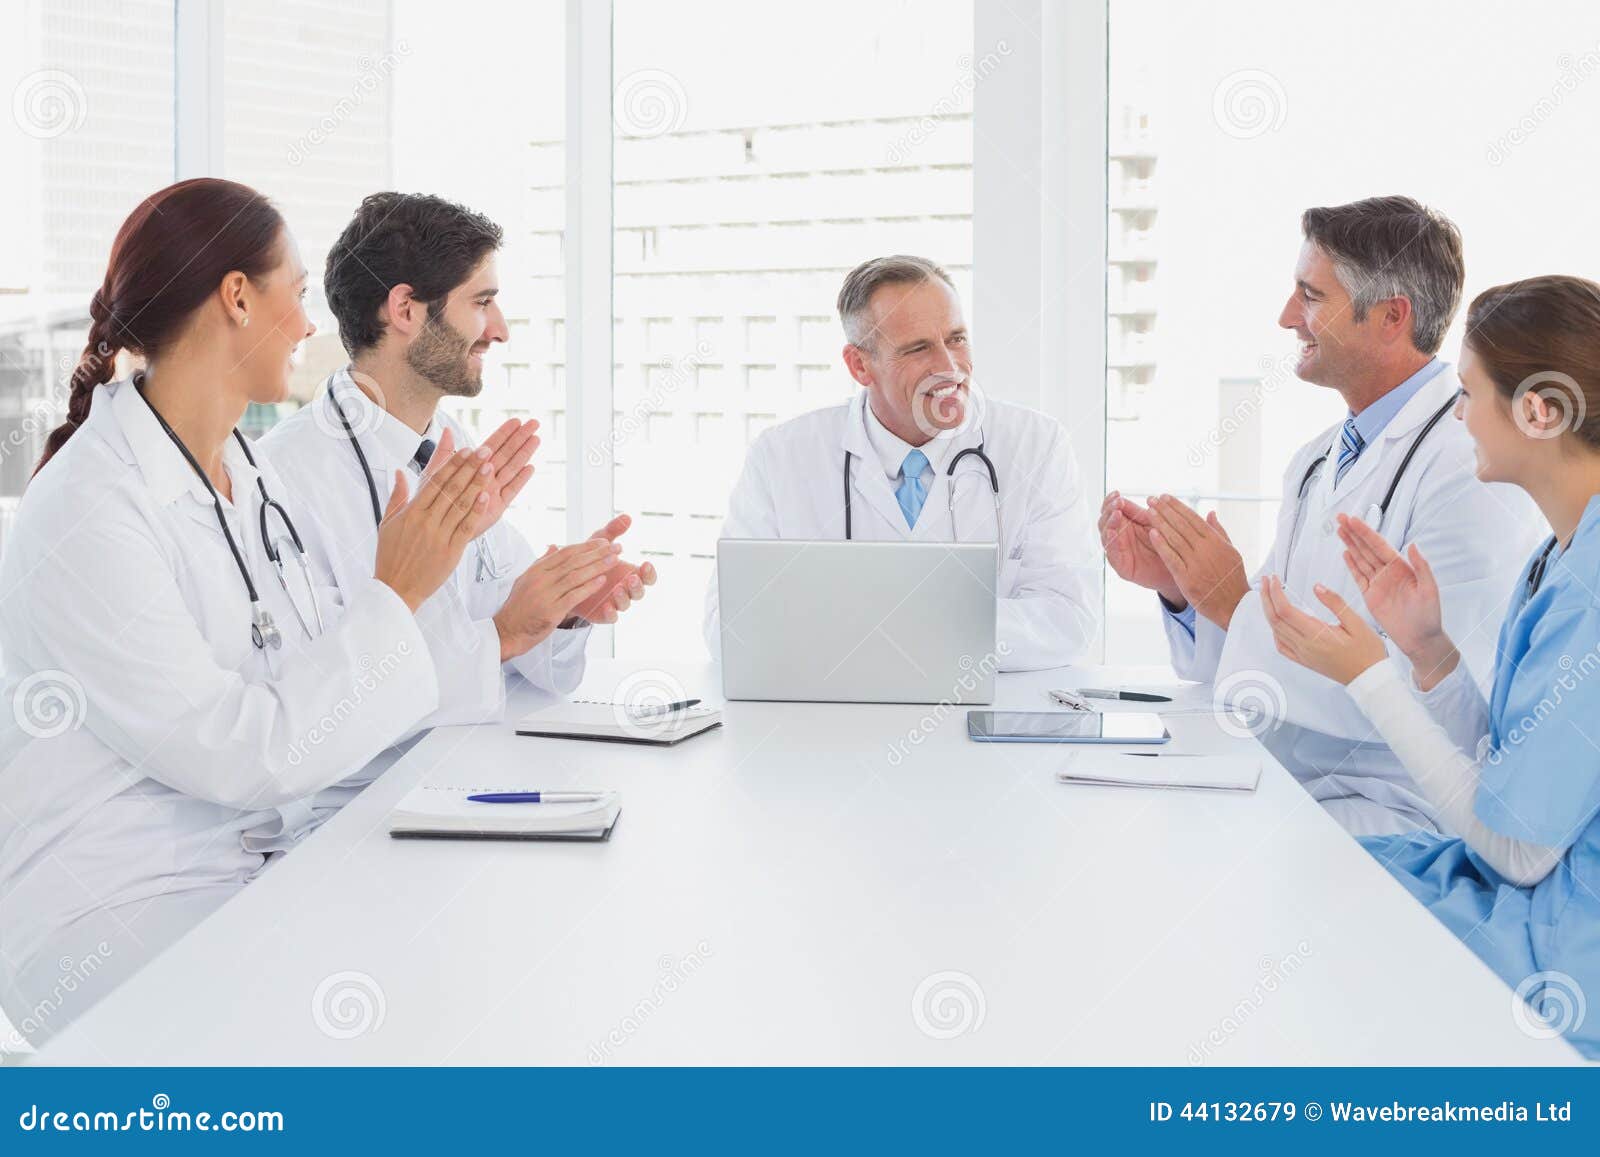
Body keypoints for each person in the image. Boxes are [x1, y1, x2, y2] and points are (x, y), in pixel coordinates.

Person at [0, 179, 547, 1043]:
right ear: (237, 297)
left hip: (251, 862)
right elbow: (241, 749)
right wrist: (395, 591)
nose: (307, 323)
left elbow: (308, 679)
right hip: (115, 904)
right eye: (295, 294)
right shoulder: (91, 506)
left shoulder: (244, 478)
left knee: (471, 970)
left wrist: (431, 591)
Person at [1099, 196, 1541, 836]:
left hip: (1400, 808)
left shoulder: (1472, 462)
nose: (1285, 318)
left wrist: (1231, 602)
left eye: (1310, 296)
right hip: (1291, 778)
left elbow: (1443, 695)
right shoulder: (1315, 462)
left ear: (1391, 317)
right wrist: (1186, 591)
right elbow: (1262, 657)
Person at [1259, 275, 1600, 1059]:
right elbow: (1514, 774)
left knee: (1300, 912)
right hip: (1530, 890)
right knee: (1297, 864)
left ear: (1538, 411)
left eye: (1471, 392)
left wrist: (1369, 677)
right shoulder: (1560, 552)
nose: (1457, 413)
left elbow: (1518, 852)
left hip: (1566, 943)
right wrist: (1428, 651)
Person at [262, 192, 653, 747]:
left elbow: (512, 629)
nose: (499, 330)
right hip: (359, 807)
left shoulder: (453, 442)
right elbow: (326, 704)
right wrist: (505, 635)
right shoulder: (286, 476)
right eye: (481, 302)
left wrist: (565, 607)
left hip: (465, 767)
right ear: (404, 310)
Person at [703, 254, 1099, 670]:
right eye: (918, 348)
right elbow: (729, 625)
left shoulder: (1036, 445)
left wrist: (870, 629)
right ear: (860, 365)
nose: (949, 368)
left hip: (983, 716)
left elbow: (1067, 619)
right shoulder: (781, 457)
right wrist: (950, 627)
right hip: (831, 723)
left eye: (957, 338)